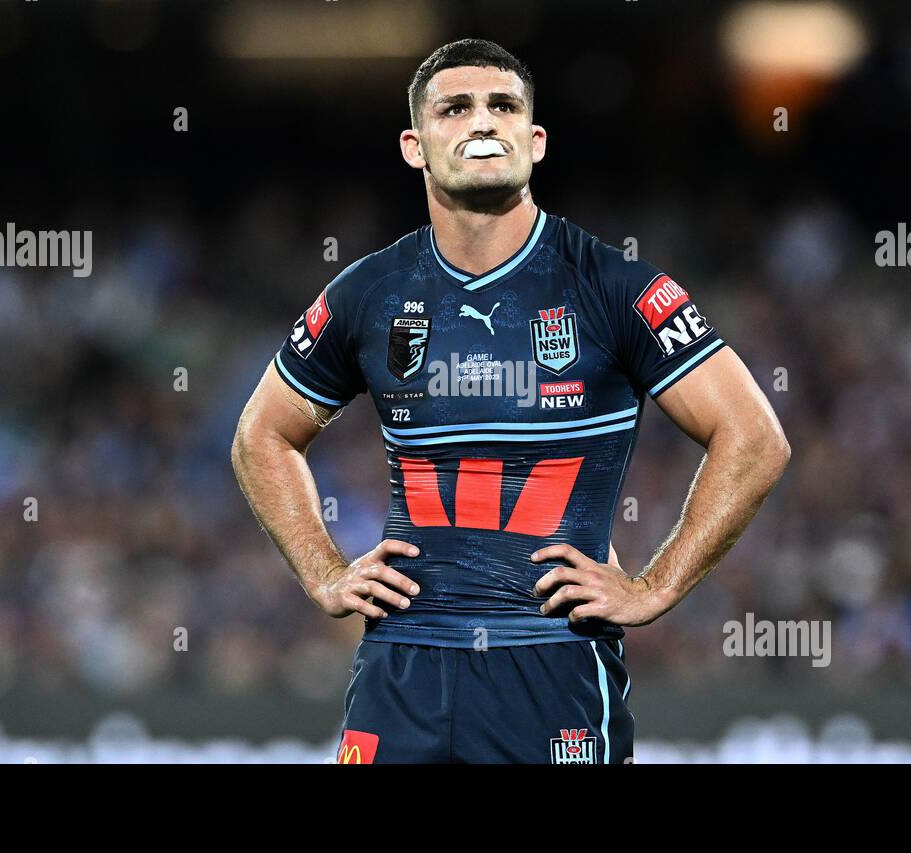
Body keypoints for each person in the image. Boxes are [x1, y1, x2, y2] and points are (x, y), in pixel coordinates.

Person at [232, 39, 790, 763]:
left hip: (551, 665)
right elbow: (261, 435)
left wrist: (654, 585)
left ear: (535, 140)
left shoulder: (612, 286)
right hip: (403, 668)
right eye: (455, 108)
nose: (482, 122)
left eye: (504, 106)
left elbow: (753, 435)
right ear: (414, 145)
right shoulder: (370, 291)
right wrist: (323, 570)